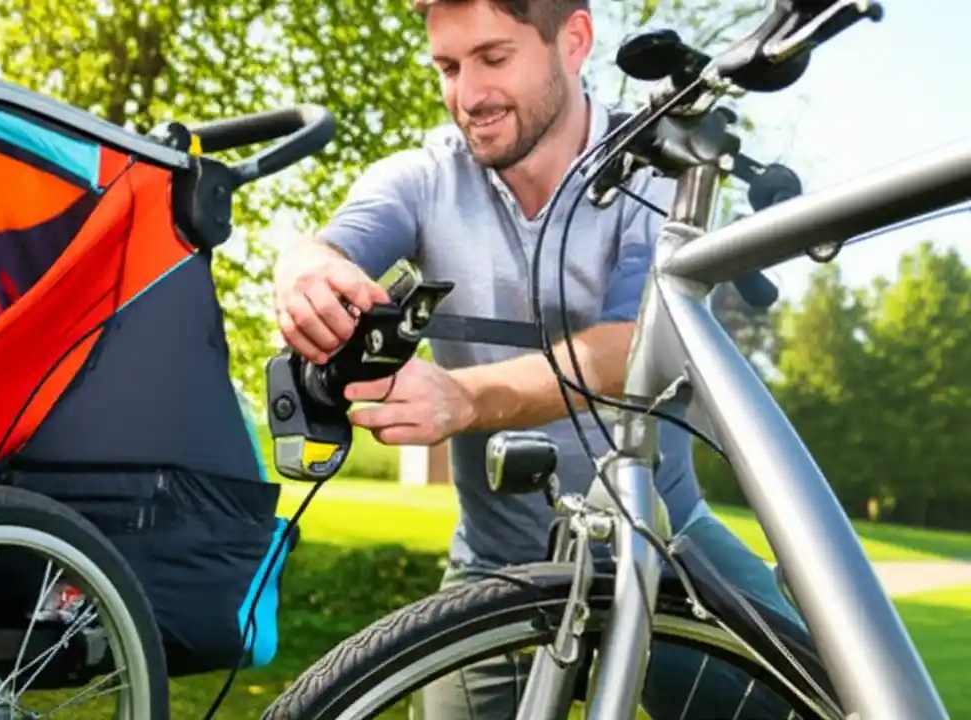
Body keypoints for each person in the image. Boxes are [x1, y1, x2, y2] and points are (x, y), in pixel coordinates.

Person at [270, 0, 809, 717]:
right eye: (448, 67)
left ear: (574, 40)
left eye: (494, 58)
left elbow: (634, 348)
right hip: (499, 567)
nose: (469, 95)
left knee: (817, 691)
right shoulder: (425, 178)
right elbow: (334, 244)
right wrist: (302, 266)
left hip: (671, 542)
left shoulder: (657, 166)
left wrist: (465, 399)